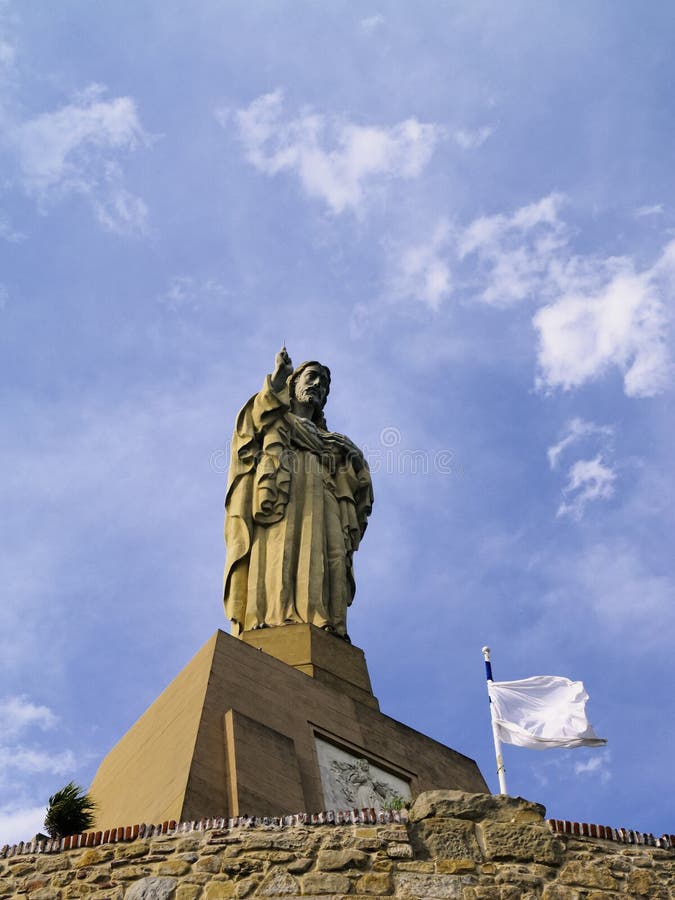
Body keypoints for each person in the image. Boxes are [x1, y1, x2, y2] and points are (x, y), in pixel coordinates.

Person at [223, 347, 373, 641]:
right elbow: (250, 425)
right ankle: (273, 616)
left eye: (325, 384)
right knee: (282, 549)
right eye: (313, 377)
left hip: (326, 494)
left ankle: (326, 621)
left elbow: (359, 488)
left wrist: (354, 456)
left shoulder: (333, 441)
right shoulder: (276, 416)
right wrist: (276, 379)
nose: (318, 385)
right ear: (295, 383)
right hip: (282, 493)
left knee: (330, 556)